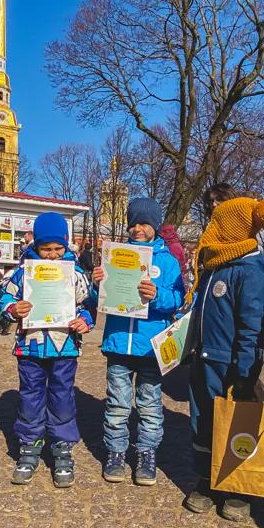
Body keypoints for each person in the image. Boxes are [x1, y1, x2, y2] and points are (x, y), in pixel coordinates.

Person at [182, 195, 264, 522]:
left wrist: (245, 373)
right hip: (205, 359)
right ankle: (208, 480)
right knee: (205, 422)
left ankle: (238, 488)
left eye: (218, 224)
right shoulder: (216, 264)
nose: (212, 229)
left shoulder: (248, 272)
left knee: (237, 424)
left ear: (233, 229)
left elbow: (253, 327)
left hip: (230, 364)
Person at [90, 198, 184, 486]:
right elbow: (99, 303)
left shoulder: (167, 261)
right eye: (132, 224)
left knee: (150, 404)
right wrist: (98, 287)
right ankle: (116, 453)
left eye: (144, 223)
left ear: (155, 226)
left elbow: (178, 300)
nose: (137, 229)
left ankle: (146, 453)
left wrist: (157, 295)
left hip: (151, 347)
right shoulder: (115, 257)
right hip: (118, 343)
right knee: (117, 404)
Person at [0, 213, 94, 488]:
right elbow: (5, 295)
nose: (52, 255)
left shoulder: (76, 274)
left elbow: (87, 304)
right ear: (36, 247)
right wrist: (12, 309)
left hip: (64, 347)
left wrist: (84, 321)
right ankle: (29, 446)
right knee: (30, 395)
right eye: (46, 249)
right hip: (30, 347)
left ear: (66, 246)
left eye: (58, 248)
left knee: (62, 396)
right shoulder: (23, 272)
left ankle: (62, 446)